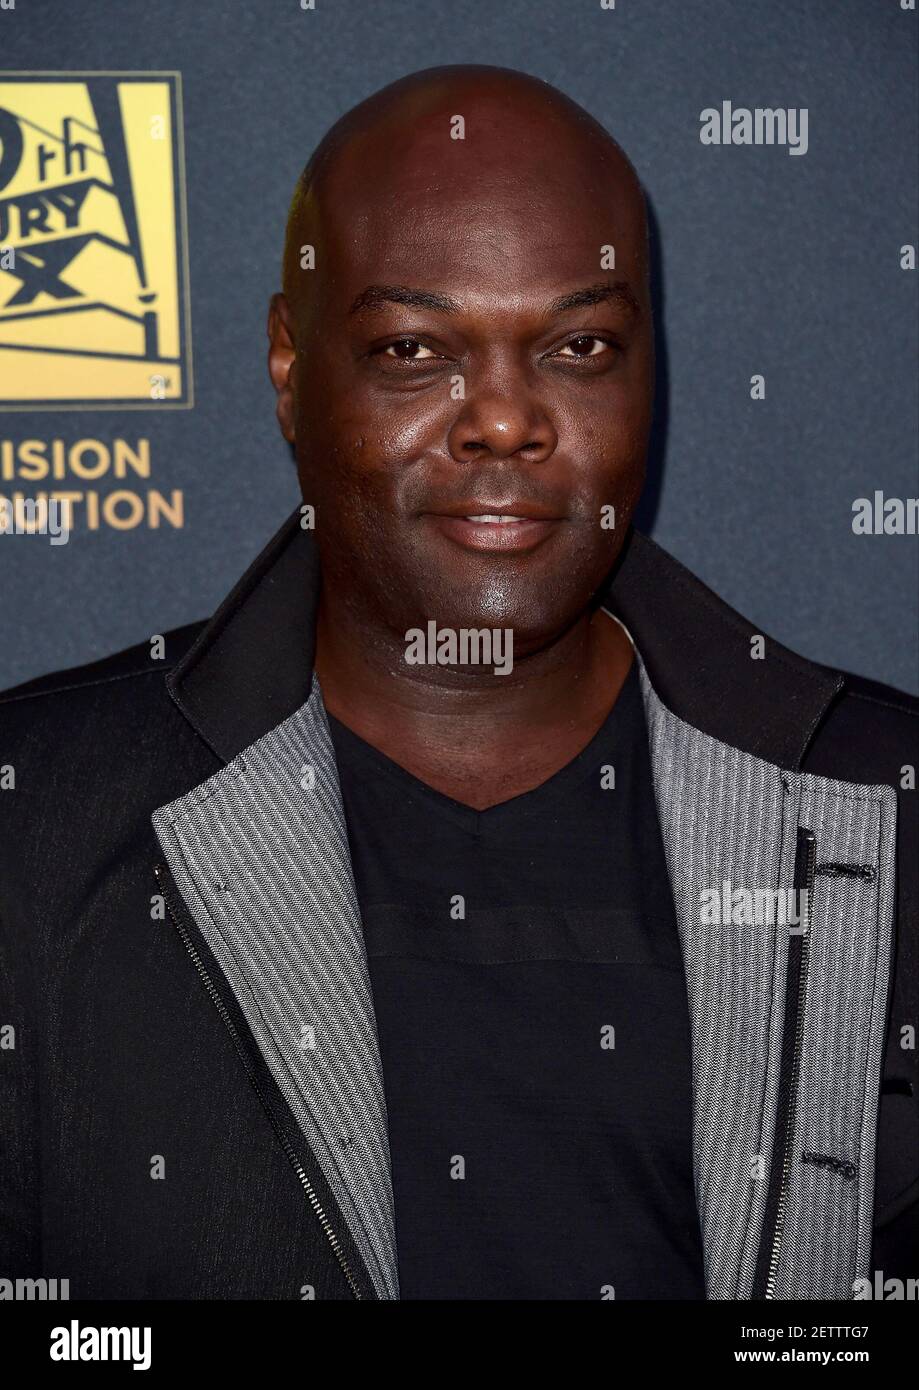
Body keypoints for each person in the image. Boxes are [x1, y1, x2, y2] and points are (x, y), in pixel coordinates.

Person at [0, 66, 915, 1301]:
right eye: (414, 348)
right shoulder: (32, 825)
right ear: (288, 362)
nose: (502, 421)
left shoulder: (882, 807)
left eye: (579, 344)